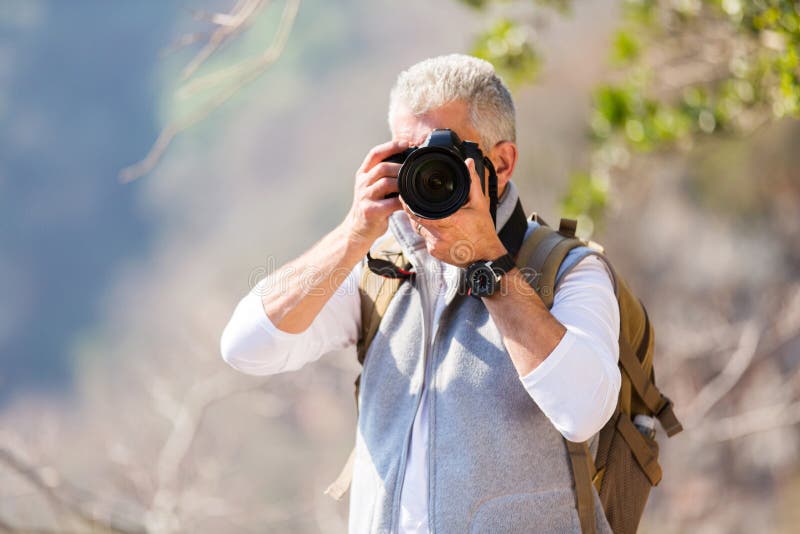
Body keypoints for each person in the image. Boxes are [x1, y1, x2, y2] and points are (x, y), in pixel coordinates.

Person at [221, 54, 620, 534]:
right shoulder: (379, 272)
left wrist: (486, 261)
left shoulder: (569, 271)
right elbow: (245, 348)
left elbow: (583, 411)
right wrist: (352, 234)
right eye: (408, 157)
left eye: (445, 156)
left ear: (501, 162)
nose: (426, 173)